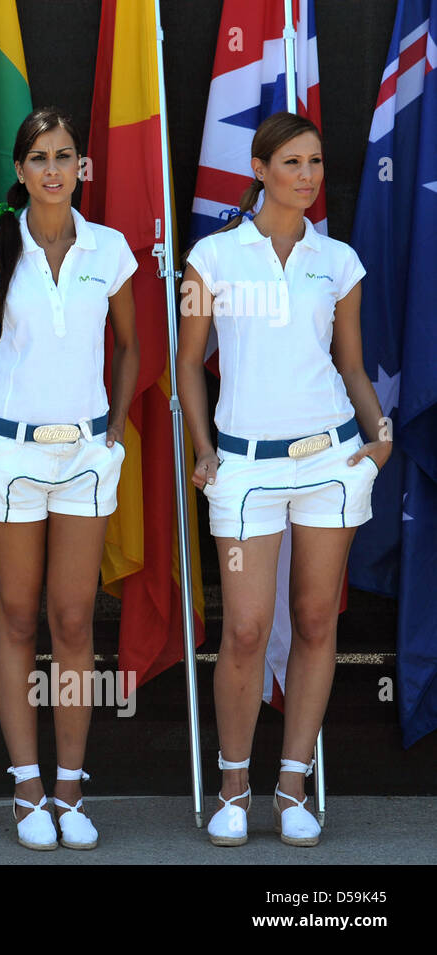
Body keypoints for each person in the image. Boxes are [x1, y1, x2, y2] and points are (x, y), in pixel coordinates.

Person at [178, 112, 385, 848]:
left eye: (316, 162)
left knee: (317, 620)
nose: (307, 175)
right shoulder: (211, 257)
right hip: (244, 468)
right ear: (259, 168)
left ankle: (293, 786)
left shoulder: (340, 261)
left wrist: (380, 435)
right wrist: (204, 449)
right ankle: (233, 787)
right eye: (292, 162)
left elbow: (351, 364)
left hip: (331, 461)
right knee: (244, 627)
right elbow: (188, 362)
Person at [0, 107, 139, 851]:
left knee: (74, 621)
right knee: (18, 618)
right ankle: (26, 788)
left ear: (80, 166)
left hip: (85, 456)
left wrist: (114, 428)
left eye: (65, 156)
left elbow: (130, 345)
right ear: (20, 170)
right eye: (39, 158)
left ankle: (70, 789)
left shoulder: (109, 248)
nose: (53, 170)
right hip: (13, 457)